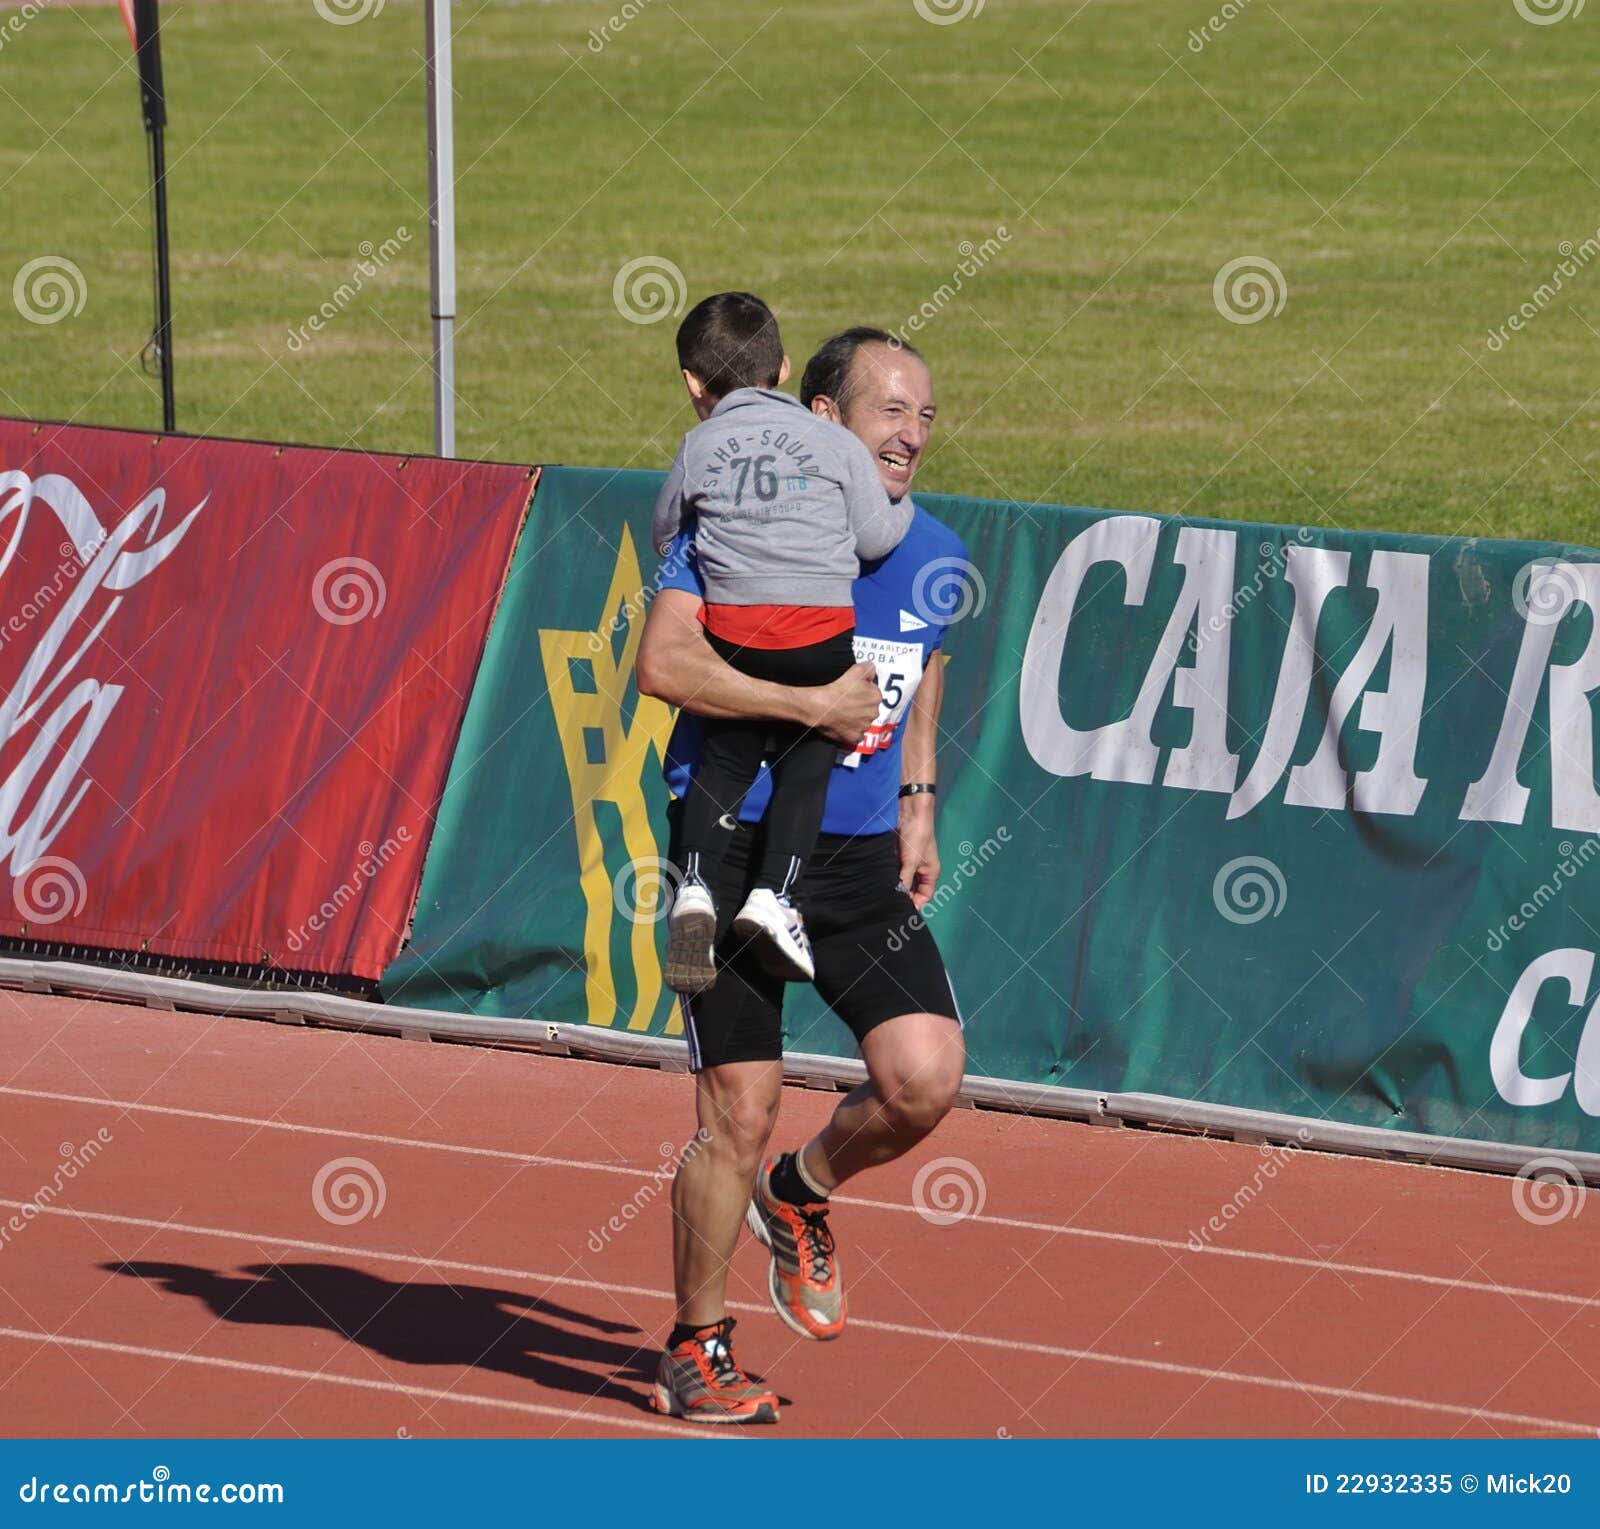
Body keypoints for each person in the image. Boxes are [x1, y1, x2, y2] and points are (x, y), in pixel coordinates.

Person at [636, 328, 969, 1425]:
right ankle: (696, 1347)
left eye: (925, 415)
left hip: (858, 859)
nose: (911, 435)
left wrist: (918, 798)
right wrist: (809, 705)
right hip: (734, 851)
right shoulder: (735, 526)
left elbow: (923, 665)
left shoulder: (934, 549)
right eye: (890, 411)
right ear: (821, 417)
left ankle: (801, 1191)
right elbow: (664, 663)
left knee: (924, 1075)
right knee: (739, 1111)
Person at [652, 293, 910, 996]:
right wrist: (902, 506)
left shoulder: (698, 445)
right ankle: (776, 896)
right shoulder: (833, 442)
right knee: (808, 762)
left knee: (724, 756)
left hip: (736, 630)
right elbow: (874, 537)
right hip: (819, 632)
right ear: (785, 367)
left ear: (693, 383)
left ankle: (696, 886)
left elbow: (667, 528)